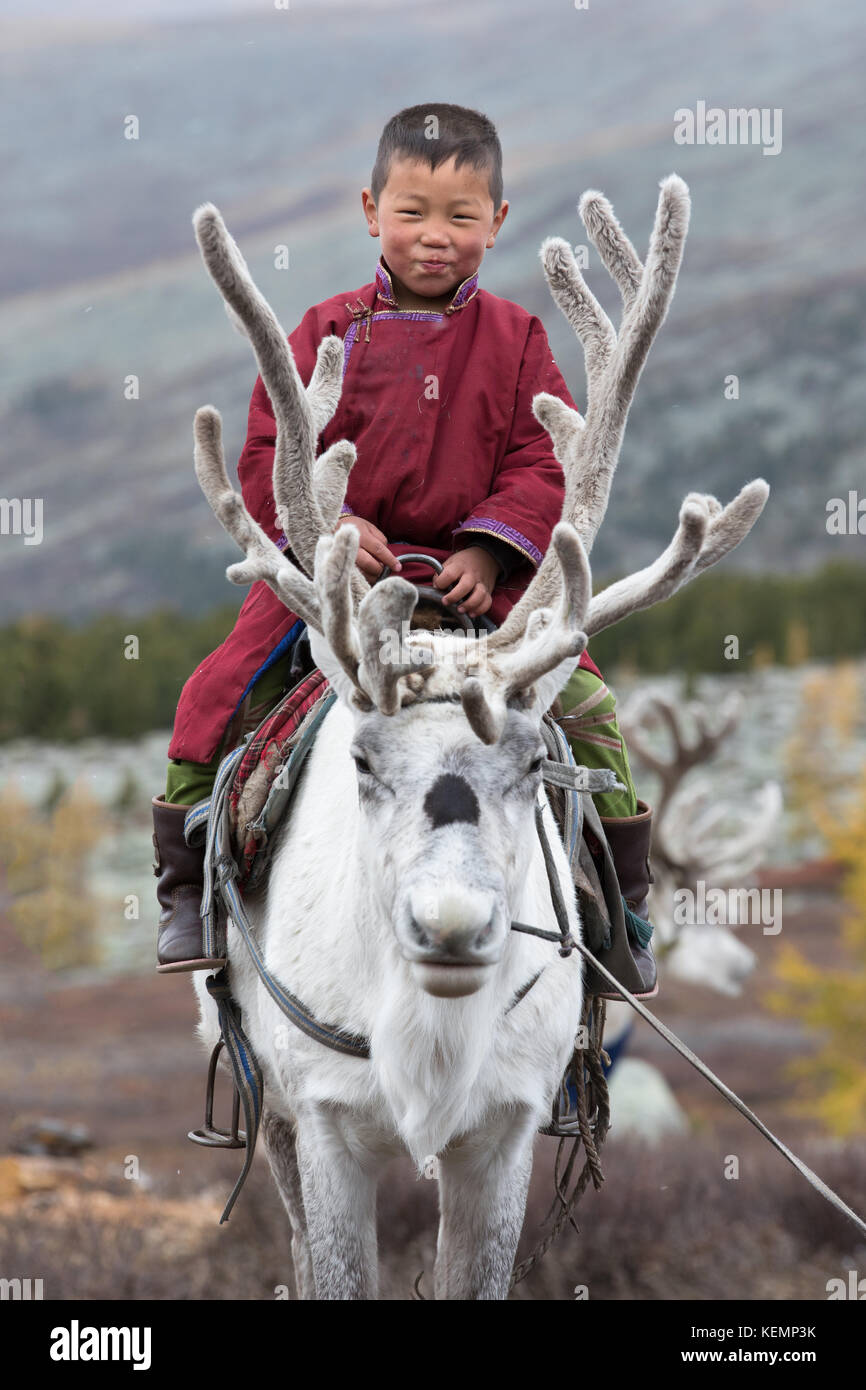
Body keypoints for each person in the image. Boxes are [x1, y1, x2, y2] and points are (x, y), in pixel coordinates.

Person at [152, 103, 655, 989]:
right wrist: (334, 528)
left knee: (588, 709)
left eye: (461, 218)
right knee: (216, 689)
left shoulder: (517, 338)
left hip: (481, 601)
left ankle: (622, 903)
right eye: (412, 213)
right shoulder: (318, 333)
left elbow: (548, 457)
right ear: (369, 209)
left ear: (497, 223)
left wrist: (493, 551)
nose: (435, 238)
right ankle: (187, 884)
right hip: (338, 592)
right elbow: (273, 451)